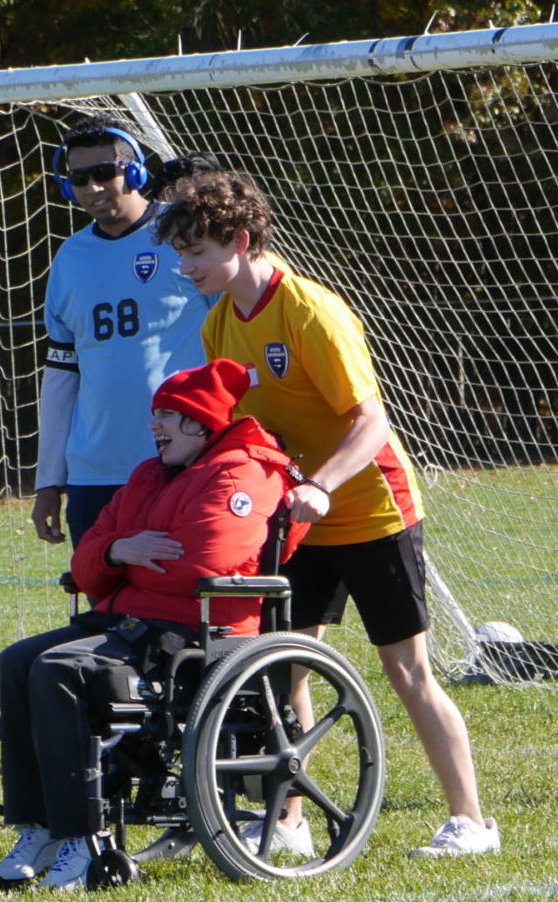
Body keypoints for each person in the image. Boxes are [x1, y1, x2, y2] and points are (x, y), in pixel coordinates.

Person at [156, 170, 500, 859]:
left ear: (241, 241)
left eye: (196, 253)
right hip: (295, 518)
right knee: (281, 667)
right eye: (181, 254)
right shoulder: (221, 320)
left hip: (371, 510)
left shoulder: (310, 311)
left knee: (407, 671)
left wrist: (321, 483)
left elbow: (371, 420)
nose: (185, 267)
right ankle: (288, 817)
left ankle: (471, 822)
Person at [0, 358, 300, 891]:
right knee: (16, 661)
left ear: (200, 421)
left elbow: (200, 564)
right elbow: (85, 565)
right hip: (129, 619)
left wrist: (116, 559)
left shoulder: (244, 472)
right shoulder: (148, 475)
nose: (154, 426)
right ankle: (40, 826)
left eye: (166, 415)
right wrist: (120, 548)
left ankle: (79, 839)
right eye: (156, 414)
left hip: (198, 632)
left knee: (58, 669)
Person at [32, 128, 218, 548]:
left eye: (103, 172)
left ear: (134, 172)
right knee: (103, 607)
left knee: (183, 602)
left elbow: (237, 342)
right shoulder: (69, 259)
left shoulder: (188, 239)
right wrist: (49, 479)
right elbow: (62, 374)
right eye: (79, 178)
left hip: (185, 460)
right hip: (95, 473)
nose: (92, 187)